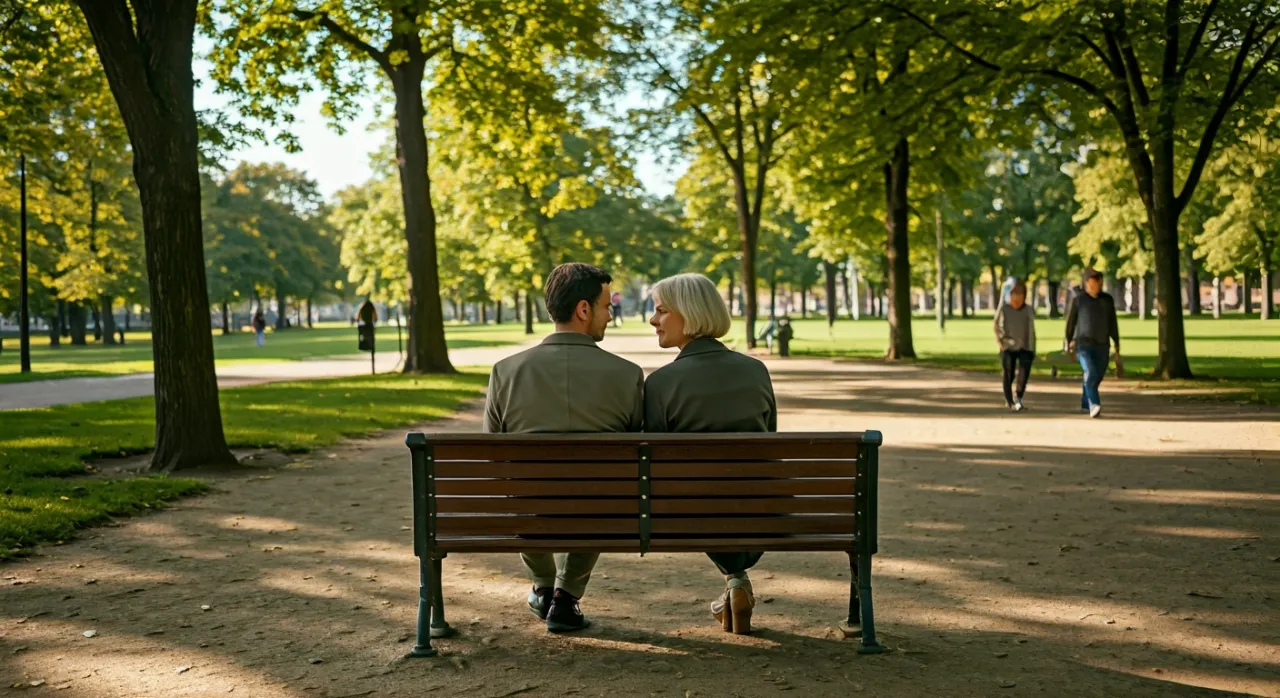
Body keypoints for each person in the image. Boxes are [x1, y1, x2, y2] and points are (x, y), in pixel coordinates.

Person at [483, 262, 643, 633]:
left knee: (520, 487)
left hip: (528, 508)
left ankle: (543, 585)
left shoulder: (505, 371)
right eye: (607, 306)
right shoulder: (627, 374)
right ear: (583, 310)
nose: (610, 313)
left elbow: (494, 455)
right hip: (597, 509)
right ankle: (566, 596)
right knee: (602, 488)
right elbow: (636, 455)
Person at [643, 273, 777, 635]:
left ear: (688, 313)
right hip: (762, 511)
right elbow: (769, 441)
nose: (653, 321)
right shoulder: (756, 370)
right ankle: (736, 581)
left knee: (692, 491)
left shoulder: (659, 384)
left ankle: (735, 581)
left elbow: (653, 465)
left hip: (693, 512)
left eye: (661, 311)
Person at [1065, 268, 1120, 418]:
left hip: (1103, 345)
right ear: (1087, 282)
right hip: (1083, 345)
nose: (1098, 283)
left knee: (1096, 376)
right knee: (1090, 372)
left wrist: (1116, 343)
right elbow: (1071, 323)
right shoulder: (1079, 300)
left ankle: (1085, 403)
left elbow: (1112, 322)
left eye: (1100, 280)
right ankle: (1094, 404)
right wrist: (1068, 341)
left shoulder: (1107, 300)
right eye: (1095, 280)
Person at [994, 279, 1036, 411]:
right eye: (1014, 295)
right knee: (1008, 373)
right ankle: (1009, 400)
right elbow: (995, 324)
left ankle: (1018, 397)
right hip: (1008, 345)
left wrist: (1032, 347)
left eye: (1020, 295)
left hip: (1025, 346)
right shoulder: (1005, 309)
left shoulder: (1028, 310)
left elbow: (1031, 329)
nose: (1017, 298)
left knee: (1024, 374)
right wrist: (1000, 341)